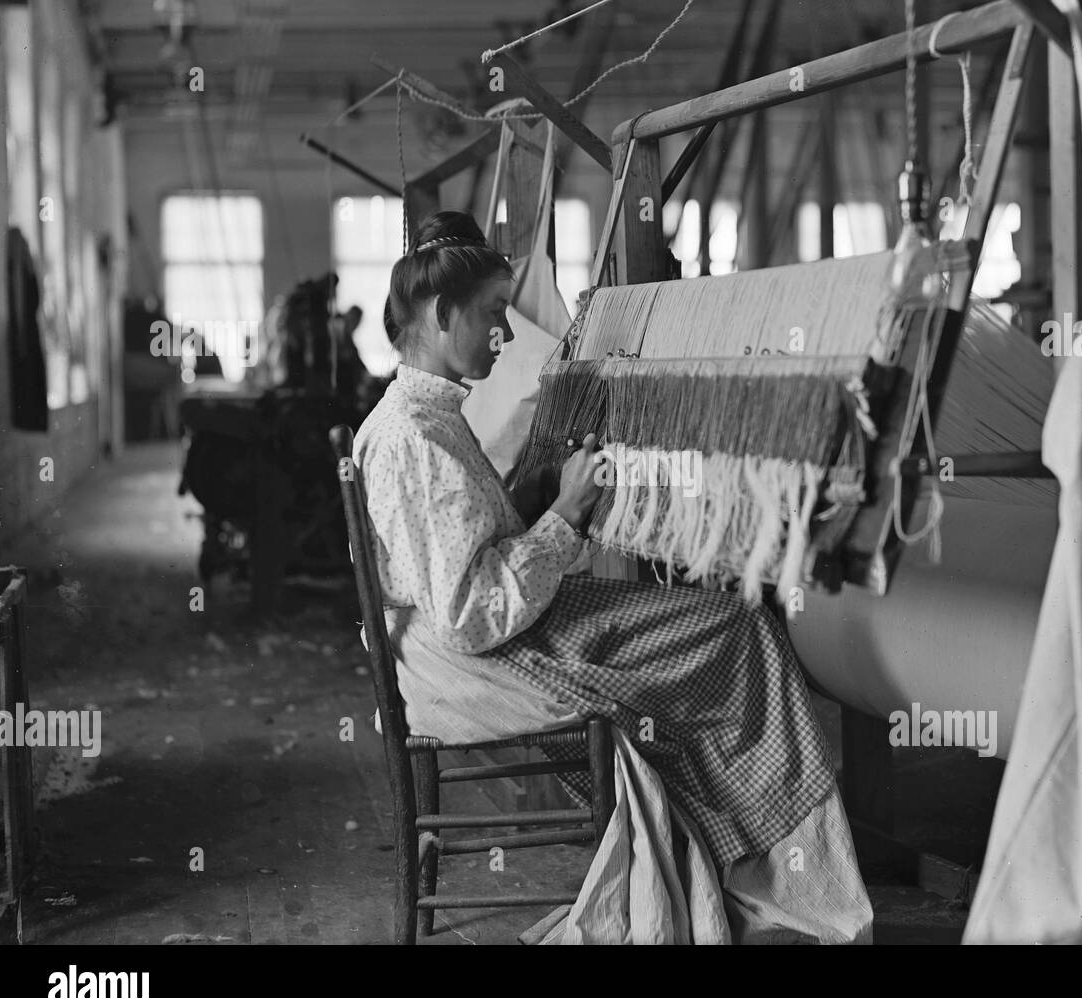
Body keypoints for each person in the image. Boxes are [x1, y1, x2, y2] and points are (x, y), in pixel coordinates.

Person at [353, 211, 873, 943]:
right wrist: (565, 515)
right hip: (497, 654)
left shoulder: (417, 417)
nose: (505, 335)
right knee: (743, 629)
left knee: (712, 628)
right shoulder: (416, 437)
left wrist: (538, 500)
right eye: (494, 314)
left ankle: (754, 860)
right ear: (441, 315)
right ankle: (790, 879)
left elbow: (463, 546)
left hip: (497, 633)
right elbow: (471, 612)